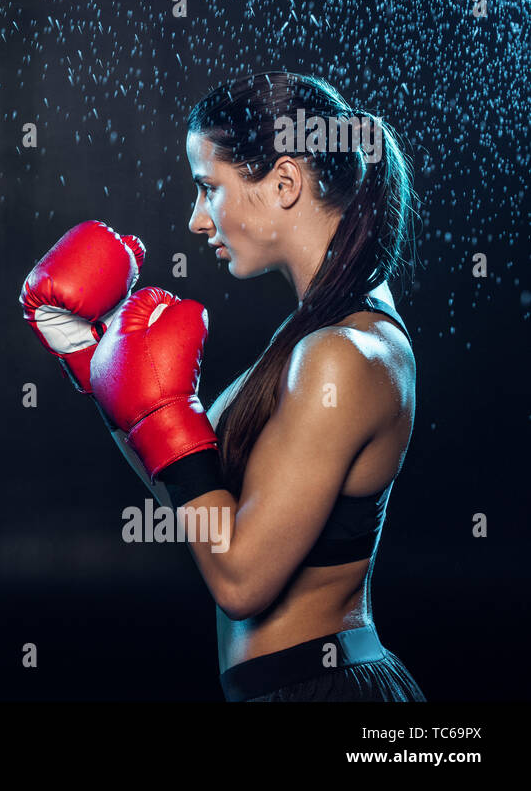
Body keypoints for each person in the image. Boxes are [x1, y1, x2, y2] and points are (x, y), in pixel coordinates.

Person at [22, 71, 425, 701]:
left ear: (285, 182)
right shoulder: (317, 330)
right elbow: (205, 514)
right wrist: (98, 369)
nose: (196, 220)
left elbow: (241, 581)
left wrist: (164, 413)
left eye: (210, 189)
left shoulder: (343, 355)